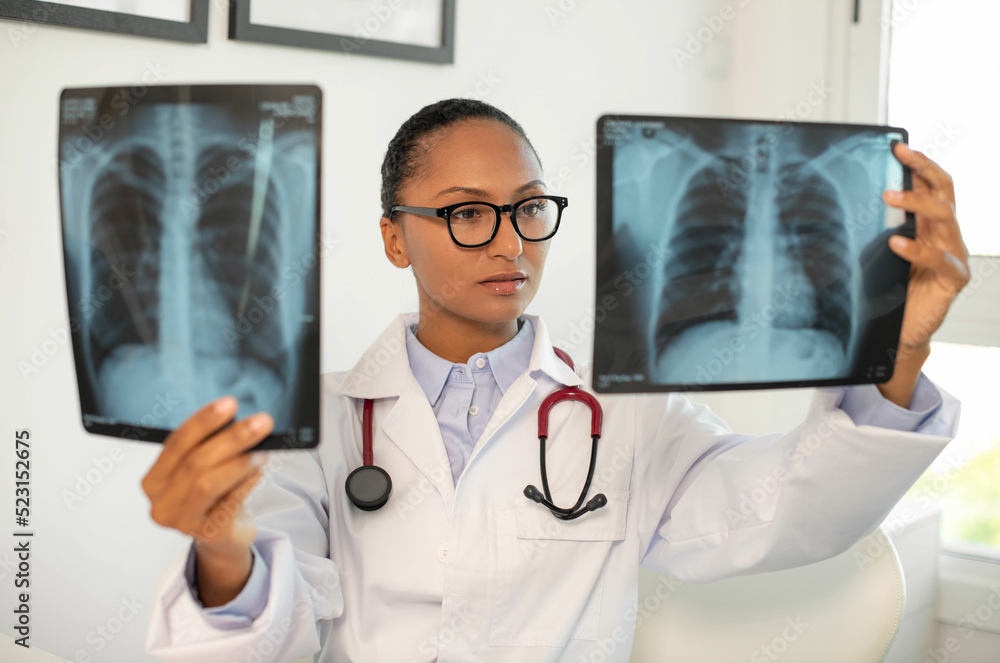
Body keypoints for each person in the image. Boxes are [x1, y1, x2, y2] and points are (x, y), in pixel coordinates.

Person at [144, 99, 969, 662]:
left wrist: (899, 354)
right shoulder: (311, 419)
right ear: (396, 238)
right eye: (467, 212)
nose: (511, 243)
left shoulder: (628, 416)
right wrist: (221, 546)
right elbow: (268, 634)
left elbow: (785, 509)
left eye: (530, 207)